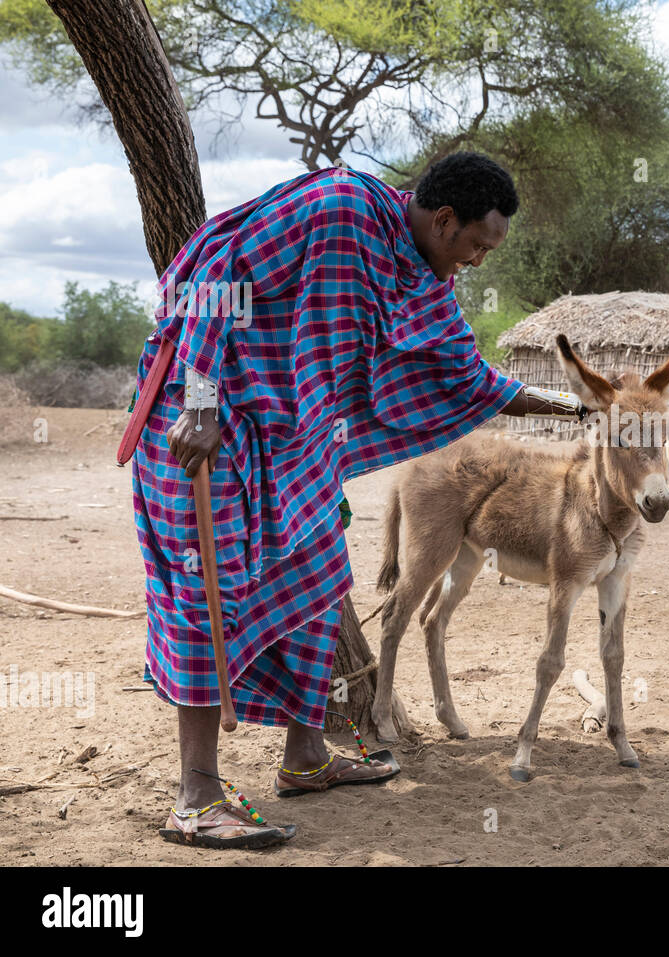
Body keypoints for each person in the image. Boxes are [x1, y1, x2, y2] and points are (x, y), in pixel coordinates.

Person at [131, 152, 573, 849]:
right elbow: (212, 277)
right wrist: (201, 397)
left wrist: (564, 405)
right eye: (477, 244)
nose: (480, 260)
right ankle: (195, 796)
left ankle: (305, 758)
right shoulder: (339, 211)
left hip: (293, 446)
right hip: (208, 433)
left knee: (317, 581)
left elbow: (458, 364)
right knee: (205, 597)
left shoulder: (423, 273)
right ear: (444, 218)